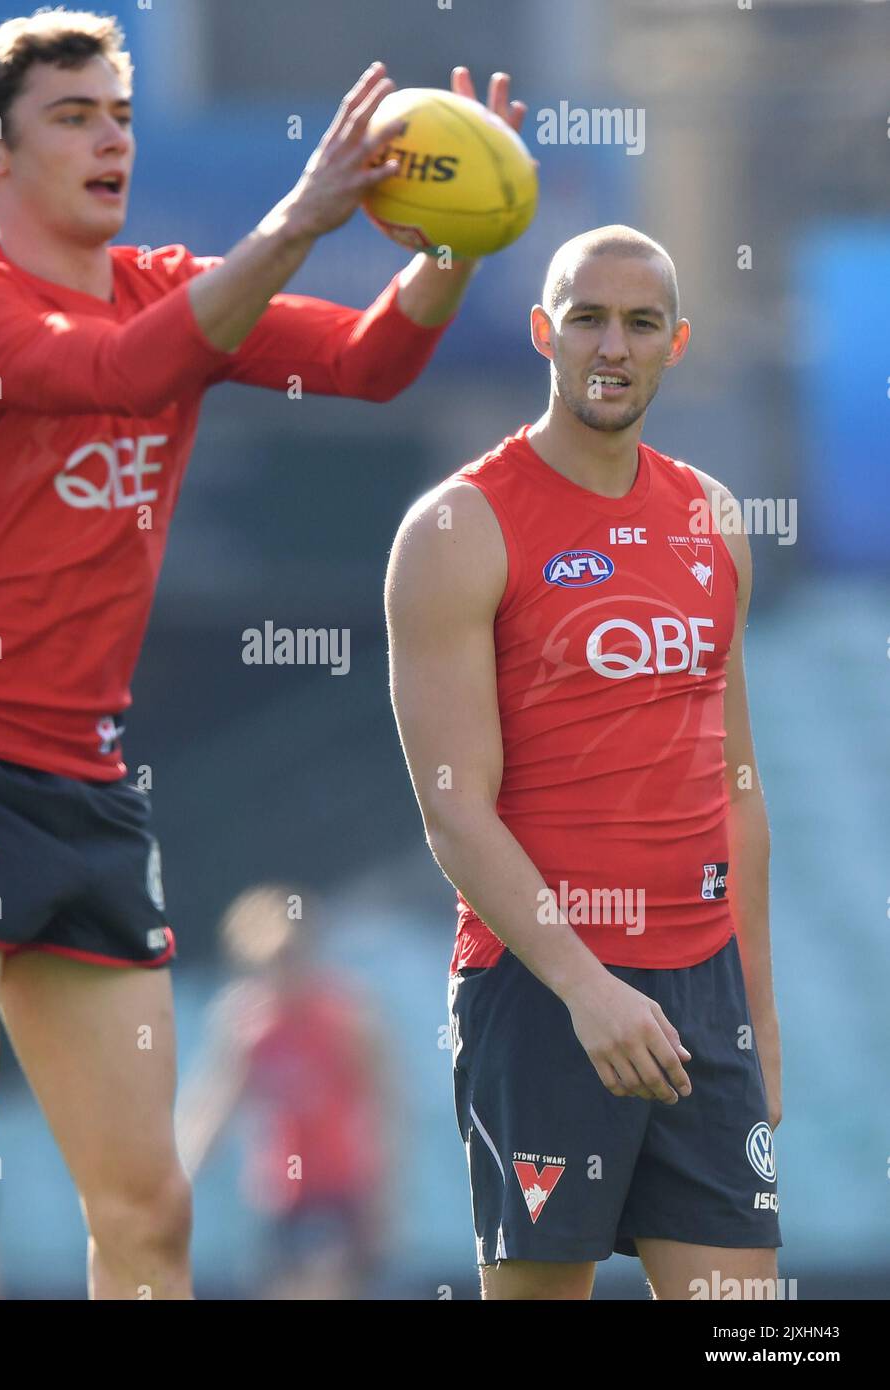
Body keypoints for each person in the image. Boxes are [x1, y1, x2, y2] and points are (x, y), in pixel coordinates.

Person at [0, 9, 533, 1300]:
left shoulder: (170, 285)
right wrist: (298, 222)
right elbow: (118, 371)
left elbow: (373, 362)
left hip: (88, 792)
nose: (111, 138)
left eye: (121, 114)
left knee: (149, 1209)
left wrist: (456, 232)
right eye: (73, 116)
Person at [384, 225, 782, 1300]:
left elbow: (737, 789)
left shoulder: (712, 517)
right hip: (544, 989)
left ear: (676, 343)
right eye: (588, 318)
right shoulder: (459, 526)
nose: (614, 344)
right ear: (542, 332)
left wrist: (759, 1016)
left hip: (703, 996)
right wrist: (586, 989)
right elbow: (454, 814)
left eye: (641, 322)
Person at [178, 886, 391, 1299]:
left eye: (293, 956)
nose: (284, 971)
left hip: (338, 1187)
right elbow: (215, 1105)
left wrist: (383, 1195)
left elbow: (384, 1106)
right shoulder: (247, 1027)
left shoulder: (345, 1019)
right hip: (278, 1196)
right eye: (272, 961)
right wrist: (181, 1179)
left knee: (324, 1285)